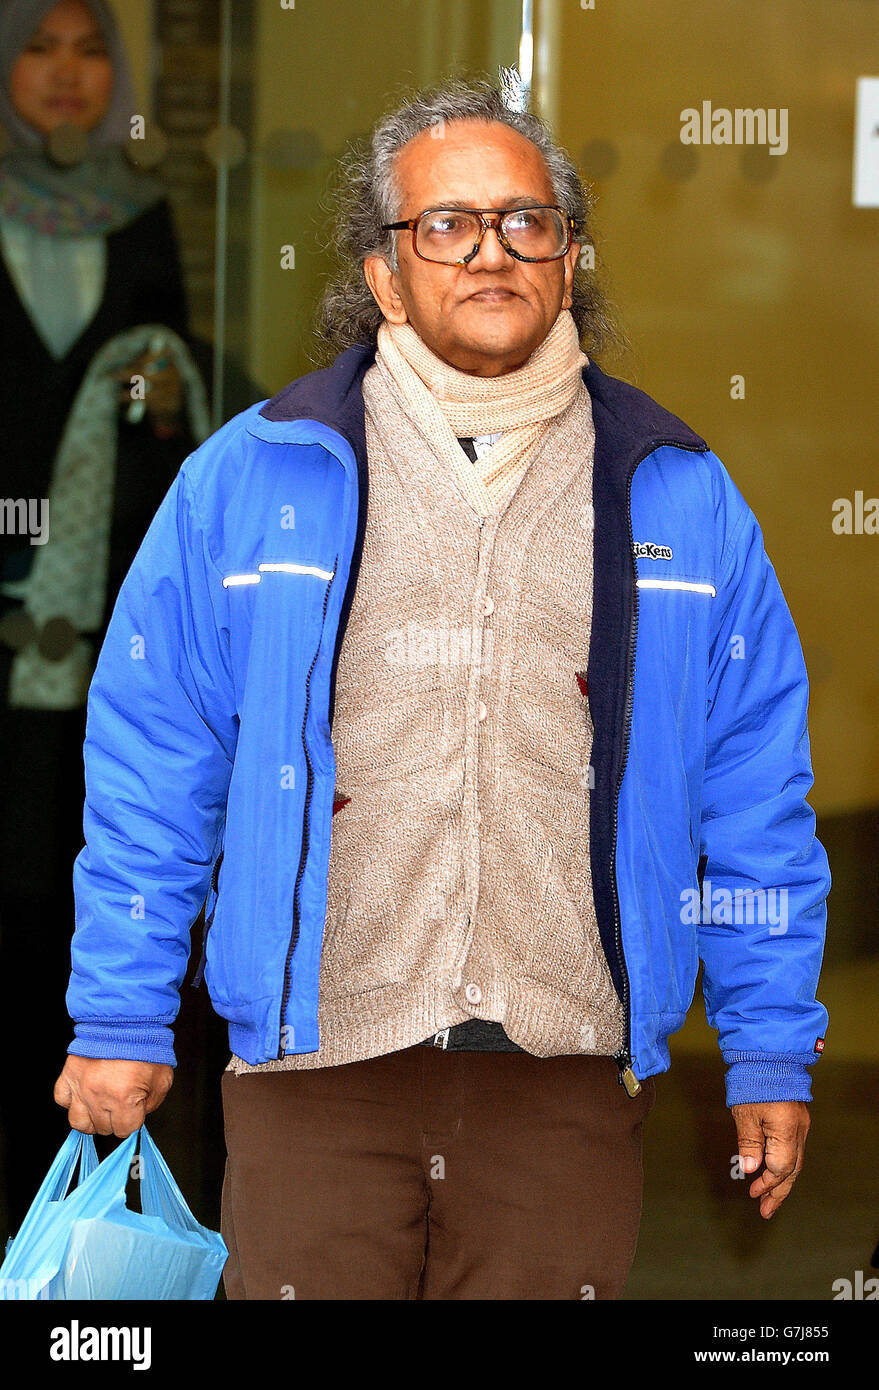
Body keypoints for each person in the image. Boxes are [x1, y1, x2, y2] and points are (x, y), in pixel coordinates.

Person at [53, 75, 830, 1301]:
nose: (490, 252)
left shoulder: (677, 496)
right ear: (382, 273)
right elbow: (157, 760)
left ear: (569, 260)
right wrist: (120, 1012)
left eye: (525, 222)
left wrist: (770, 1043)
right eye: (446, 225)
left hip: (564, 1075)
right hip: (314, 1070)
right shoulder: (251, 481)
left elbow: (753, 800)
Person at [0, 0, 205, 1239]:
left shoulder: (147, 213)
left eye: (90, 51)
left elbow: (164, 412)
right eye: (39, 46)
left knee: (69, 910)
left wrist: (162, 391)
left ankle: (60, 1229)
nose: (68, 76)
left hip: (99, 647)